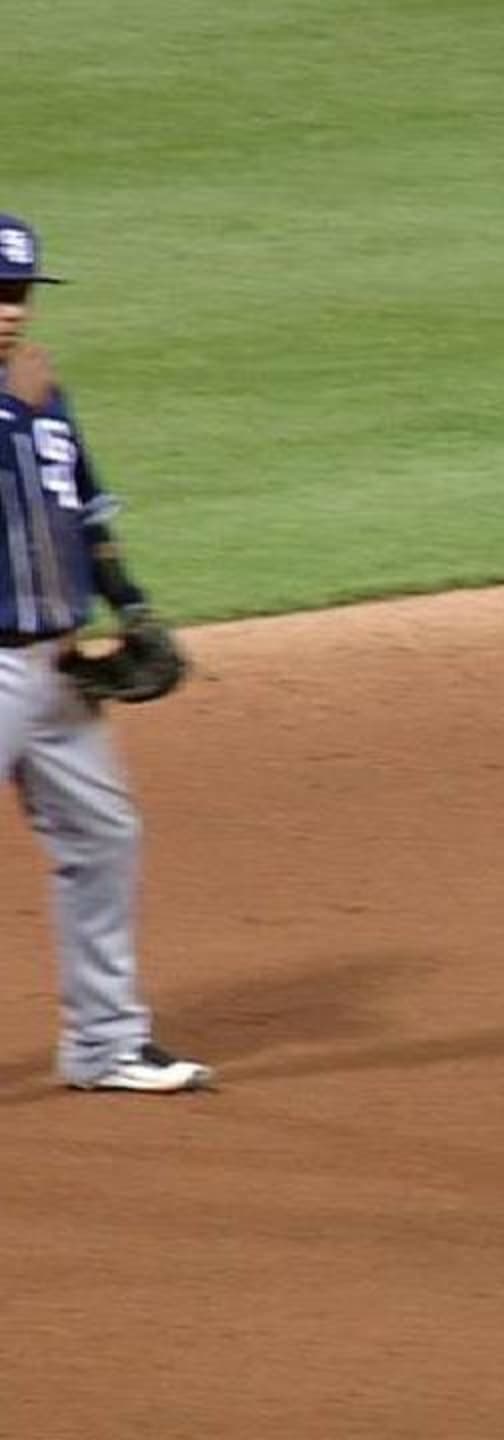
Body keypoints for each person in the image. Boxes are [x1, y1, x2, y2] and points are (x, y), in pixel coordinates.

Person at [0, 213, 212, 1093]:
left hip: (57, 666)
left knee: (103, 832)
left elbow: (85, 506)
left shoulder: (43, 391)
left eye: (18, 293)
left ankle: (106, 1043)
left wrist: (132, 605)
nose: (10, 311)